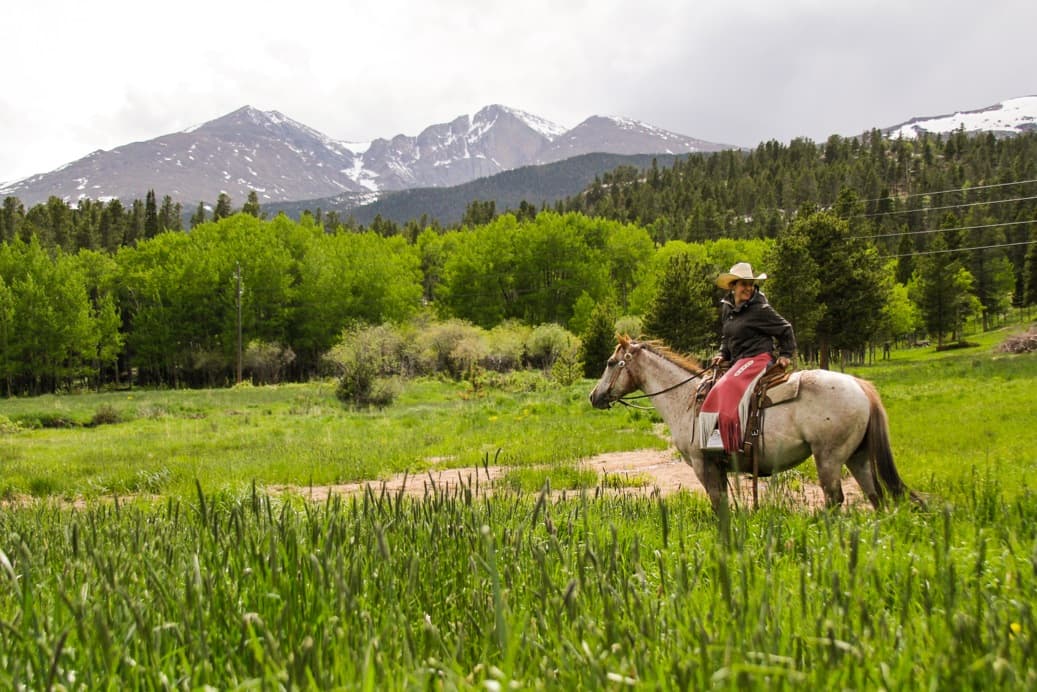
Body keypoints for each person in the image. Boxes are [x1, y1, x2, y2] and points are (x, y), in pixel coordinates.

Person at [700, 262, 796, 454]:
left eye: (751, 284)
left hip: (758, 357)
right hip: (738, 360)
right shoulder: (727, 308)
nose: (748, 288)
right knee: (711, 383)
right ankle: (719, 431)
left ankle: (729, 438)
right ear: (732, 286)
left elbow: (786, 329)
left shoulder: (760, 308)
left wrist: (785, 354)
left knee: (728, 385)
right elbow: (727, 337)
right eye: (744, 284)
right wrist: (722, 353)